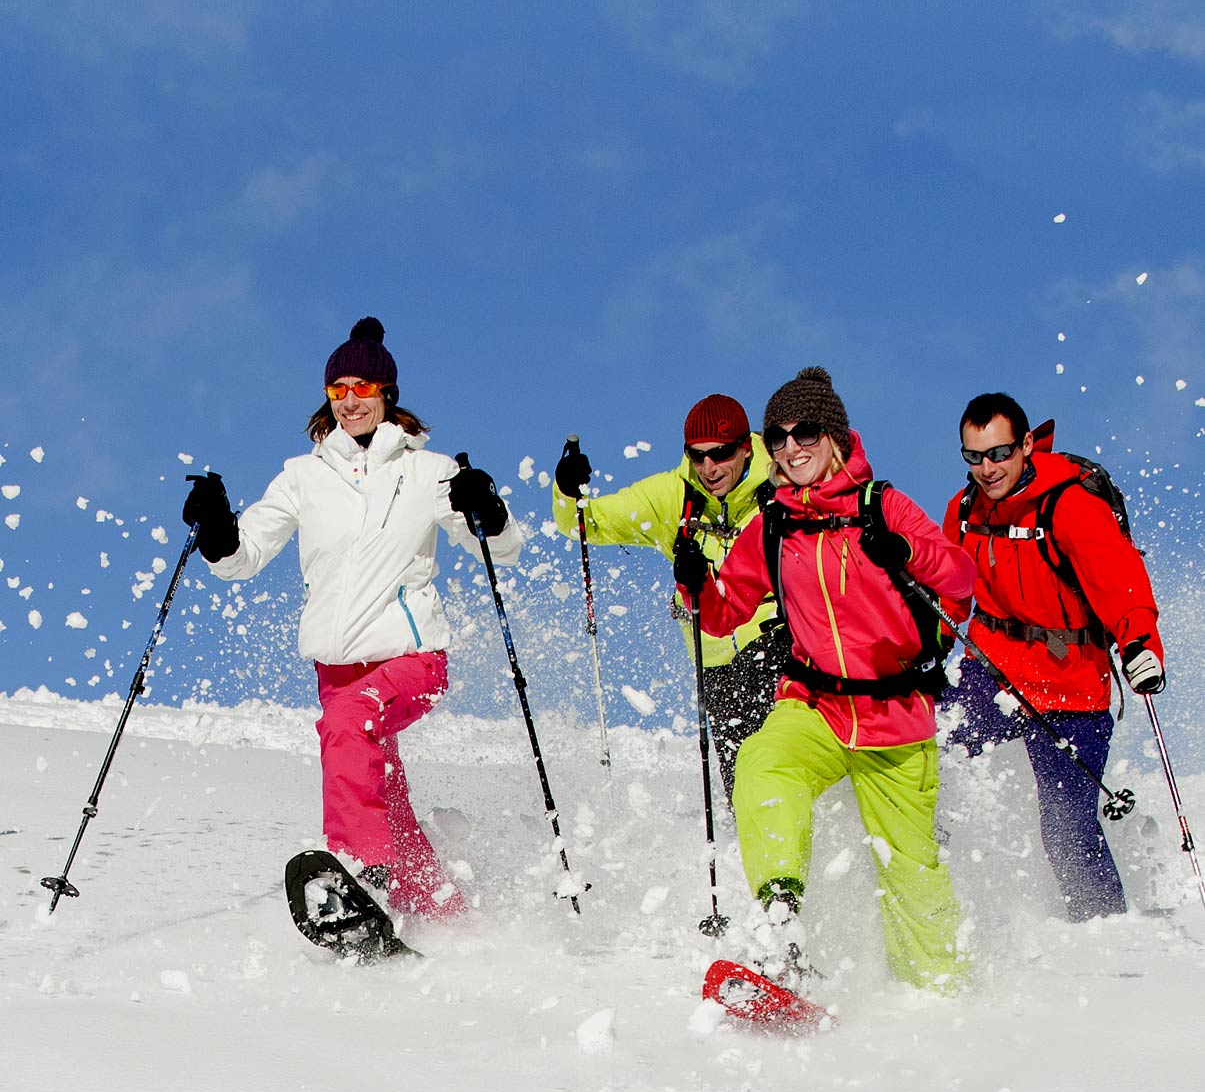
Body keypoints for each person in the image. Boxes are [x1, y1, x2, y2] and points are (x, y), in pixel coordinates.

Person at [181, 316, 523, 922]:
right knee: (378, 790)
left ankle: (363, 874)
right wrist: (216, 530)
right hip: (338, 670)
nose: (350, 401)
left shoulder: (428, 471)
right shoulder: (303, 477)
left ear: (386, 393)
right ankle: (440, 909)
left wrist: (486, 508)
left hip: (411, 660)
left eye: (362, 388)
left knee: (350, 728)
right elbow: (243, 556)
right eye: (338, 390)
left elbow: (501, 548)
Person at [675, 367, 977, 992]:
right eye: (777, 437)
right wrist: (696, 580)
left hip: (895, 714)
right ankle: (781, 926)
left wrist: (908, 551)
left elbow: (960, 579)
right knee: (763, 763)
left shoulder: (882, 507)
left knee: (911, 871)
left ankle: (941, 996)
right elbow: (725, 608)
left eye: (804, 431)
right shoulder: (774, 524)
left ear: (834, 435)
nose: (791, 447)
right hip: (813, 703)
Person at [940, 392, 1165, 921]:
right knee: (928, 766)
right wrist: (924, 645)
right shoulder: (965, 510)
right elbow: (949, 591)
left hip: (1071, 684)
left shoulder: (1069, 504)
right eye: (974, 457)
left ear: (1026, 444)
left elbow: (1121, 584)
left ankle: (1105, 931)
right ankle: (946, 905)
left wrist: (1139, 646)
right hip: (991, 673)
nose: (987, 469)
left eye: (998, 453)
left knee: (1067, 827)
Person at [553, 394, 785, 802]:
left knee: (784, 766)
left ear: (746, 447)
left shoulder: (781, 485)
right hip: (714, 665)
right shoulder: (672, 497)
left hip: (780, 648)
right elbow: (584, 523)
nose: (709, 468)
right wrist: (568, 490)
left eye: (721, 454)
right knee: (745, 794)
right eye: (697, 456)